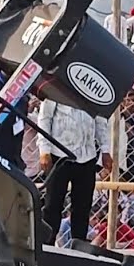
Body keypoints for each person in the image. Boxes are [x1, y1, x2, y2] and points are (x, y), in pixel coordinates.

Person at [38, 100, 113, 243]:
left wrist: (105, 149)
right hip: (59, 154)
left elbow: (100, 120)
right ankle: (46, 246)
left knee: (83, 207)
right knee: (52, 205)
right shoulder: (58, 89)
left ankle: (78, 246)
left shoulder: (94, 91)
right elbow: (45, 118)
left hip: (87, 155)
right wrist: (44, 150)